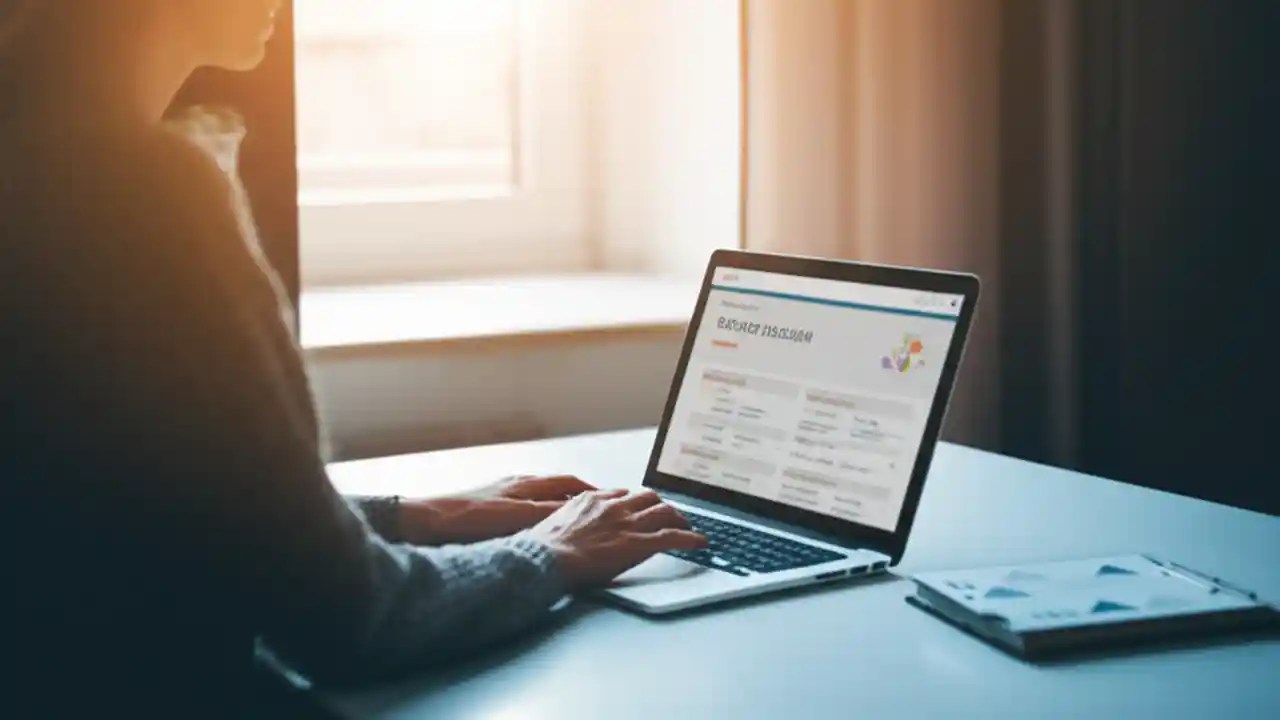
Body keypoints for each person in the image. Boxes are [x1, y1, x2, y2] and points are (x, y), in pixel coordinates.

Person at [0, 1, 705, 716]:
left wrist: (413, 515)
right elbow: (353, 620)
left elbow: (127, 517)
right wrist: (553, 550)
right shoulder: (136, 187)